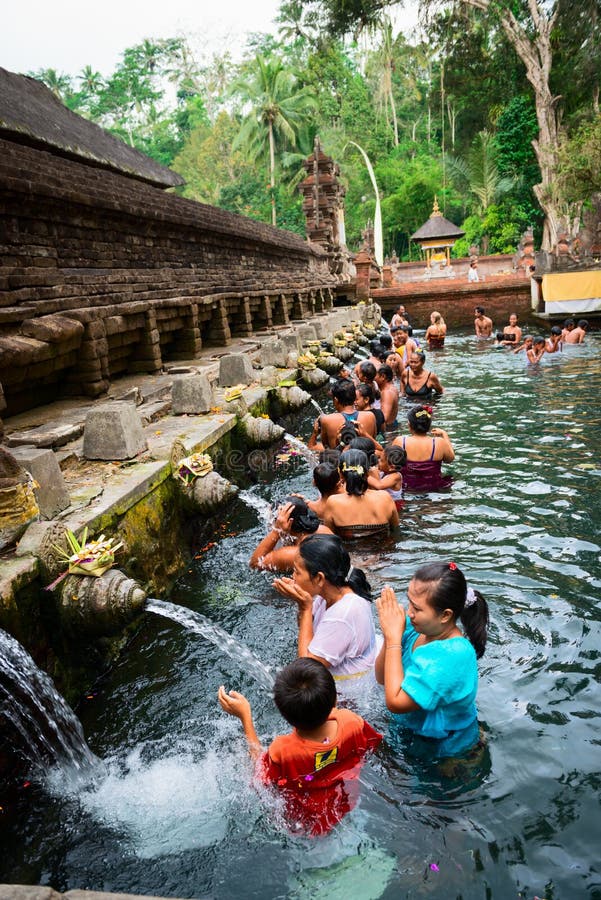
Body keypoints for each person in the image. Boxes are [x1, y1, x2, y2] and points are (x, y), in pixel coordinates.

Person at [217, 658, 382, 836]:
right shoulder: (352, 722)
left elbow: (259, 776)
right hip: (347, 801)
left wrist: (245, 718)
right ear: (335, 699)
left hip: (304, 824)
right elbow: (371, 746)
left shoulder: (283, 750)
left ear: (284, 714)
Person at [375, 561, 489, 758]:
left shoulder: (453, 655)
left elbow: (396, 703)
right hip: (416, 731)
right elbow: (382, 678)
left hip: (448, 748)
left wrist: (393, 638)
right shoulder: (415, 628)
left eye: (417, 609)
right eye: (409, 601)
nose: (409, 612)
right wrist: (389, 636)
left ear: (445, 615)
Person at [272, 534, 380, 681]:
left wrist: (305, 607)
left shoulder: (343, 614)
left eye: (297, 572)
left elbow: (306, 672)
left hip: (351, 691)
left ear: (319, 578)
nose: (293, 576)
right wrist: (302, 602)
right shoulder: (330, 592)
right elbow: (307, 628)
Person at [323, 449, 399, 539]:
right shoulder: (385, 497)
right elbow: (396, 531)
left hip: (349, 552)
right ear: (367, 473)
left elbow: (328, 537)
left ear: (341, 475)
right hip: (383, 552)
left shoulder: (333, 502)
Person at [249, 497, 332, 572]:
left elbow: (255, 564)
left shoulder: (290, 554)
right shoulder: (323, 529)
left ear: (286, 523)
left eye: (274, 522)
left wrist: (277, 530)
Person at [392, 405, 454, 492]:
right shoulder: (439, 443)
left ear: (409, 425)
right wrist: (445, 435)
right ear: (429, 425)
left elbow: (390, 464)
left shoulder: (401, 442)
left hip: (407, 488)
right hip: (433, 488)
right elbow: (450, 459)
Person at [308, 379, 377, 451]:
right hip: (365, 460)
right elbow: (373, 444)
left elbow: (325, 448)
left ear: (336, 400)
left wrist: (315, 433)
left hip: (340, 460)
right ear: (354, 397)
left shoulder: (327, 420)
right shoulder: (370, 416)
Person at [367, 445, 406, 510]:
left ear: (391, 467)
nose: (378, 461)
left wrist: (365, 475)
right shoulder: (383, 471)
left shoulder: (396, 476)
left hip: (394, 504)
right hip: (384, 501)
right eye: (379, 458)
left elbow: (379, 486)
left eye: (381, 460)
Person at [375, 364, 399, 429]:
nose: (373, 377)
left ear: (383, 376)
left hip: (388, 429)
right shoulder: (392, 388)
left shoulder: (387, 393)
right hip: (392, 425)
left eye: (375, 375)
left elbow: (384, 418)